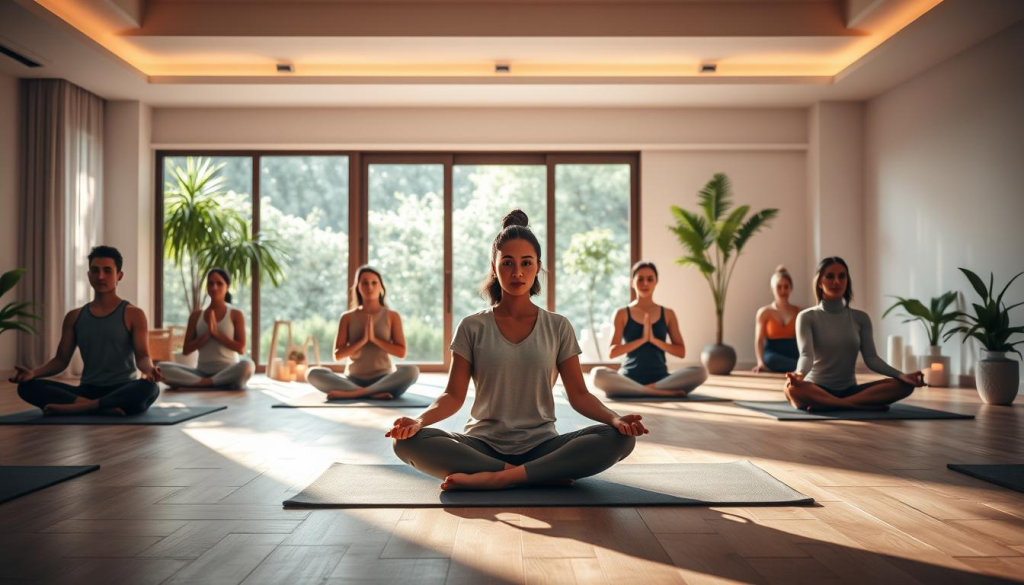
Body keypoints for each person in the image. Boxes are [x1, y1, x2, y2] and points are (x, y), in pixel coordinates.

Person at [389, 210, 646, 491]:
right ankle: (535, 475)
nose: (517, 273)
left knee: (619, 439)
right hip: (481, 445)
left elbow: (580, 395)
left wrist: (615, 419)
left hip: (543, 446)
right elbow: (453, 395)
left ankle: (499, 478)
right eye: (508, 263)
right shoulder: (472, 326)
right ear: (494, 266)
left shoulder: (558, 326)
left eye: (526, 263)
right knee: (406, 442)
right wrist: (418, 420)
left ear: (538, 267)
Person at [10, 246, 162, 415]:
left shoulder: (134, 314)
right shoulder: (74, 317)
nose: (100, 276)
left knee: (149, 389)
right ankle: (102, 407)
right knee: (27, 387)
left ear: (119, 275)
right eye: (95, 271)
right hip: (87, 390)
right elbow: (61, 360)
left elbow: (142, 356)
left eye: (107, 271)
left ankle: (83, 407)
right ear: (89, 275)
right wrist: (32, 373)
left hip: (123, 388)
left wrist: (149, 370)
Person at [784, 256, 924, 411]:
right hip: (816, 388)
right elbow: (806, 355)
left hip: (850, 390)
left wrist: (901, 375)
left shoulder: (861, 318)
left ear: (847, 280)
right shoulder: (806, 317)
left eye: (841, 276)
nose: (836, 281)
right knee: (792, 389)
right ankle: (859, 406)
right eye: (830, 276)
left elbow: (871, 359)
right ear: (819, 281)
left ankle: (832, 405)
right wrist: (799, 374)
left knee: (905, 386)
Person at [591, 261, 707, 397]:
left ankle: (645, 389)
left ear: (656, 281)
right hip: (628, 377)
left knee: (701, 372)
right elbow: (613, 352)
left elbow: (680, 351)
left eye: (650, 279)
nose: (645, 283)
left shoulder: (668, 313)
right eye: (640, 279)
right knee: (597, 374)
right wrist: (642, 340)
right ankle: (655, 392)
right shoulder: (622, 313)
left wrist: (653, 340)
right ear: (632, 282)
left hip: (661, 378)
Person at [306, 266, 419, 399]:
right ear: (358, 287)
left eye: (374, 282)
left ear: (381, 286)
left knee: (412, 371)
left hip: (384, 379)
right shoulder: (347, 317)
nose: (369, 287)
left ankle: (357, 394)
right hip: (352, 380)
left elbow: (401, 352)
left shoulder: (392, 316)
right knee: (312, 373)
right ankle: (372, 393)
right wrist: (363, 340)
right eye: (364, 283)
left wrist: (375, 340)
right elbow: (338, 355)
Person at [159, 268, 255, 390]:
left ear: (227, 286)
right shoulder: (196, 315)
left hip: (228, 370)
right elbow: (186, 350)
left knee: (247, 365)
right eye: (210, 283)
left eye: (219, 283)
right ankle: (212, 382)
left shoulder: (235, 314)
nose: (214, 287)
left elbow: (241, 348)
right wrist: (206, 336)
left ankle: (205, 383)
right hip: (201, 372)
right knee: (160, 368)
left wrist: (216, 334)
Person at [752, 265, 802, 373]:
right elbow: (759, 341)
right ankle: (800, 368)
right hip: (773, 354)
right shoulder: (764, 312)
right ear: (772, 289)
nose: (783, 290)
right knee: (771, 360)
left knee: (803, 361)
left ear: (791, 288)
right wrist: (760, 362)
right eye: (779, 287)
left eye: (786, 286)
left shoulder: (799, 312)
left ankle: (799, 367)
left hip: (794, 352)